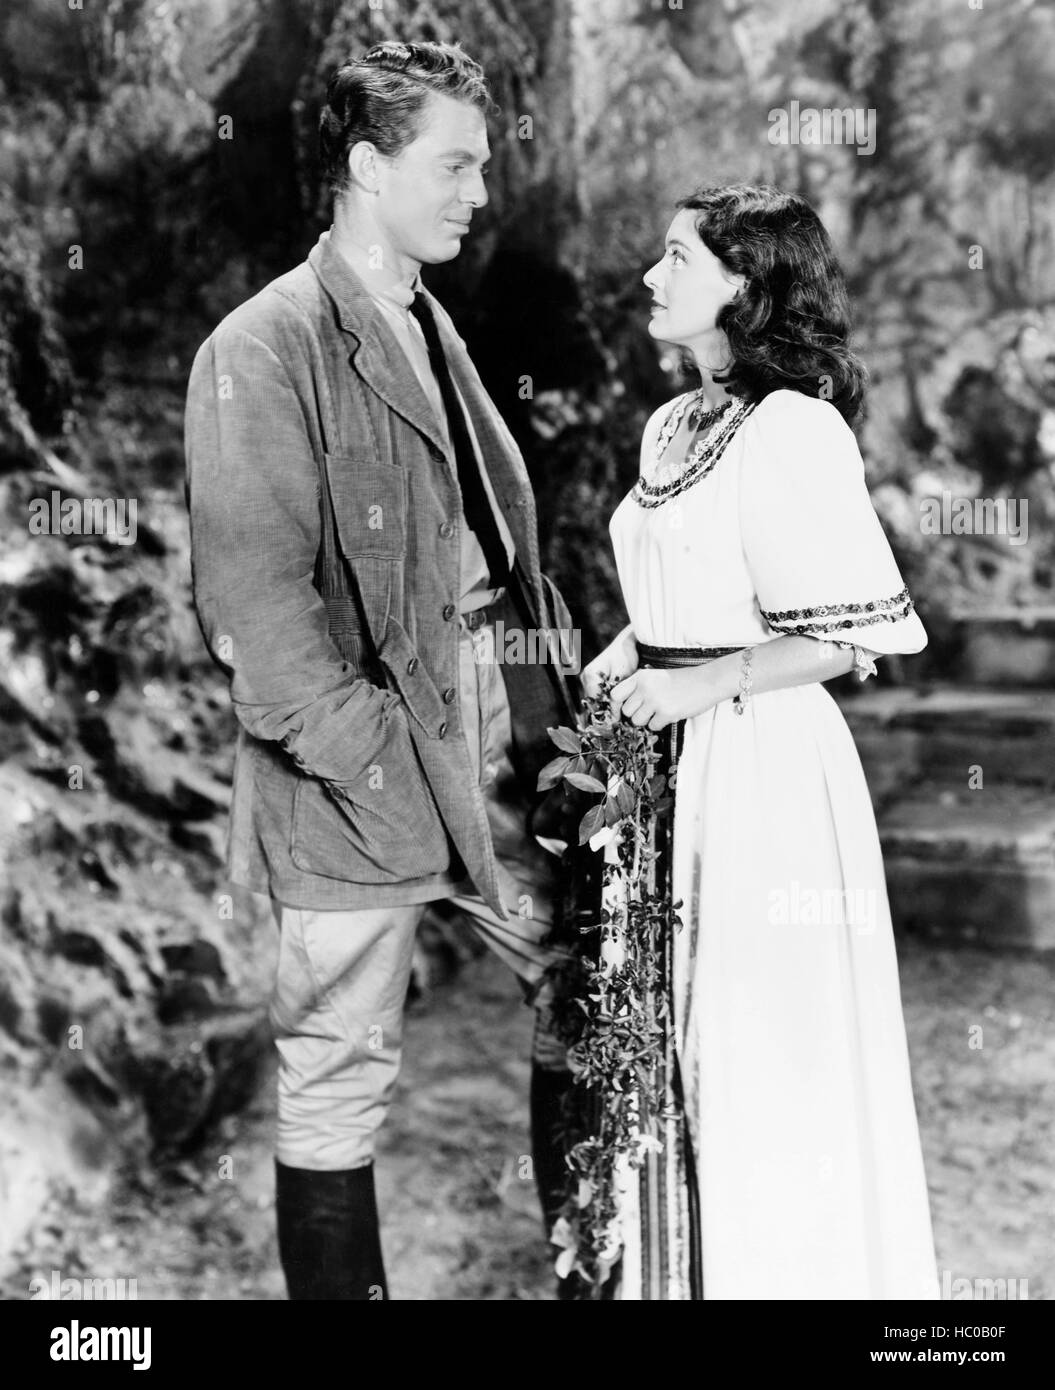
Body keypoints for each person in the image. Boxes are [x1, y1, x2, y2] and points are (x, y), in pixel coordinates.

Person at [184, 39, 579, 1300]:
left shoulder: (426, 319)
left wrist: (541, 719)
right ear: (365, 165)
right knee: (334, 1085)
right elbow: (256, 614)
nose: (478, 190)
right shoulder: (264, 344)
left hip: (489, 747)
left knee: (583, 989)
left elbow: (491, 552)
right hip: (354, 772)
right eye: (452, 165)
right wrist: (380, 766)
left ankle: (590, 1269)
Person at [581, 184, 940, 1299]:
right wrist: (622, 651)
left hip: (761, 768)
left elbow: (860, 636)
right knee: (667, 1041)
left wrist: (696, 689)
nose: (651, 274)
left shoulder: (792, 426)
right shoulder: (670, 421)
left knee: (756, 1046)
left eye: (677, 257)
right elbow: (695, 593)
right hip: (670, 761)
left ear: (747, 286)